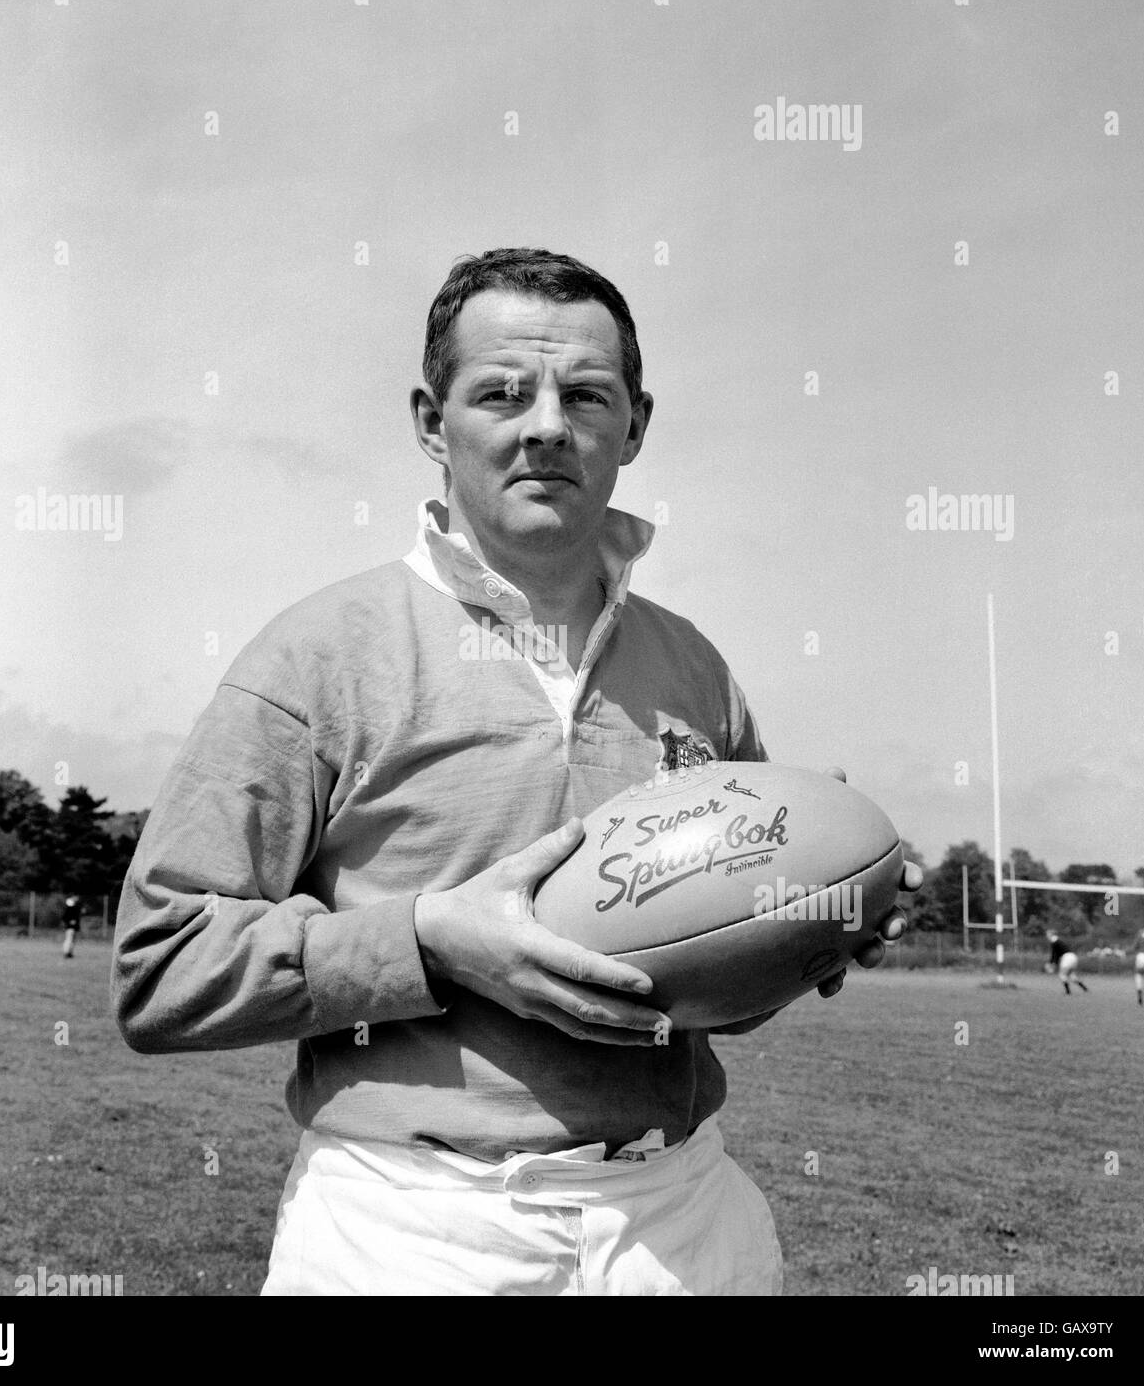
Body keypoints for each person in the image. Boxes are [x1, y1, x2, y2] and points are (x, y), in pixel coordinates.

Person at [112, 248, 919, 1296]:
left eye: (585, 394)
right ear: (428, 420)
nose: (546, 424)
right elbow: (161, 968)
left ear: (633, 424)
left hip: (677, 1219)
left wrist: (809, 928)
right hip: (410, 1225)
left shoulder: (694, 666)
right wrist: (429, 940)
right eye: (500, 391)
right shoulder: (316, 653)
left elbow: (701, 979)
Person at [1045, 929, 1088, 994]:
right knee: (1071, 975)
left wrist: (1051, 963)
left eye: (1047, 934)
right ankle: (1084, 988)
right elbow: (1057, 955)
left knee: (1062, 974)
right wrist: (1053, 963)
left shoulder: (1054, 941)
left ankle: (1068, 992)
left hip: (1067, 958)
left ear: (1051, 934)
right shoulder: (1058, 941)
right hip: (1073, 957)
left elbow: (1055, 955)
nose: (1046, 936)